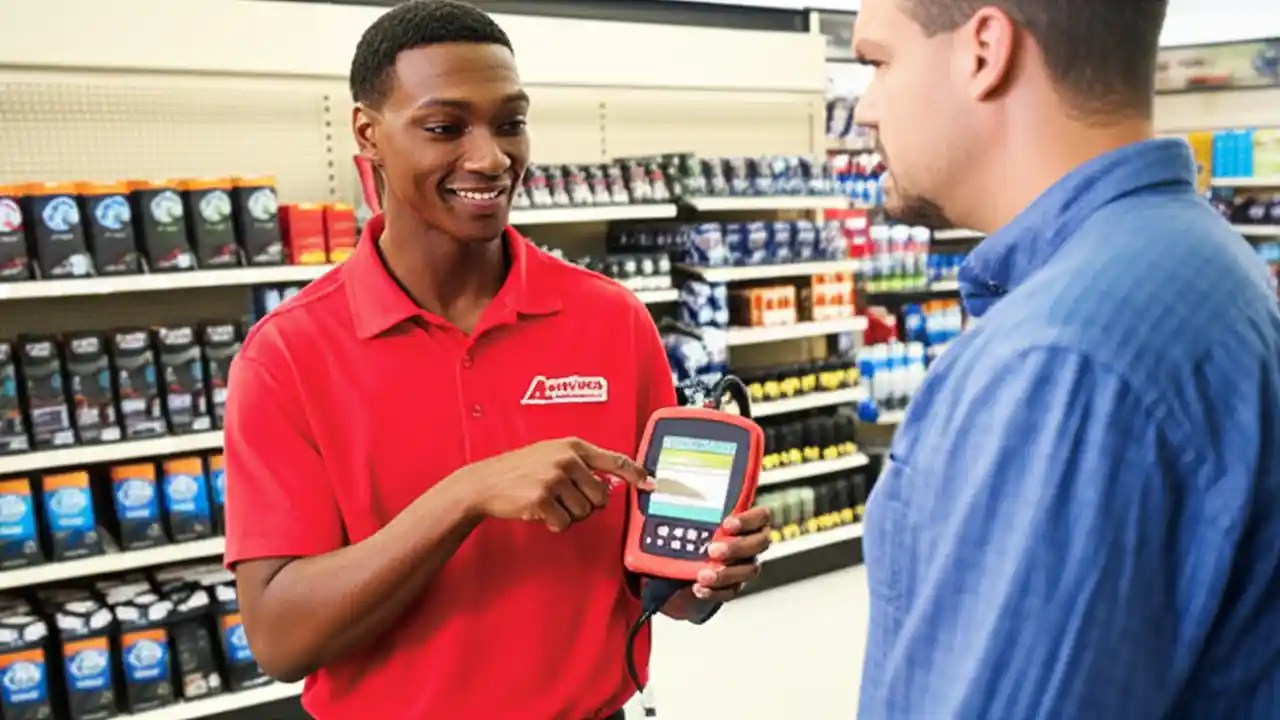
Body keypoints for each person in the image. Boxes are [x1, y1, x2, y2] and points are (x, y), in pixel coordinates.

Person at [221, 2, 772, 718]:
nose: (490, 158)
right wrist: (466, 495)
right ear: (369, 134)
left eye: (510, 123)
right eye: (446, 128)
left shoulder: (611, 321)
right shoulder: (286, 357)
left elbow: (658, 598)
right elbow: (280, 640)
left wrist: (707, 579)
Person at [852, 1, 1280, 717]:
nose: (865, 109)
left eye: (878, 62)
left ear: (983, 50)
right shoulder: (1196, 262)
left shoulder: (1060, 364)